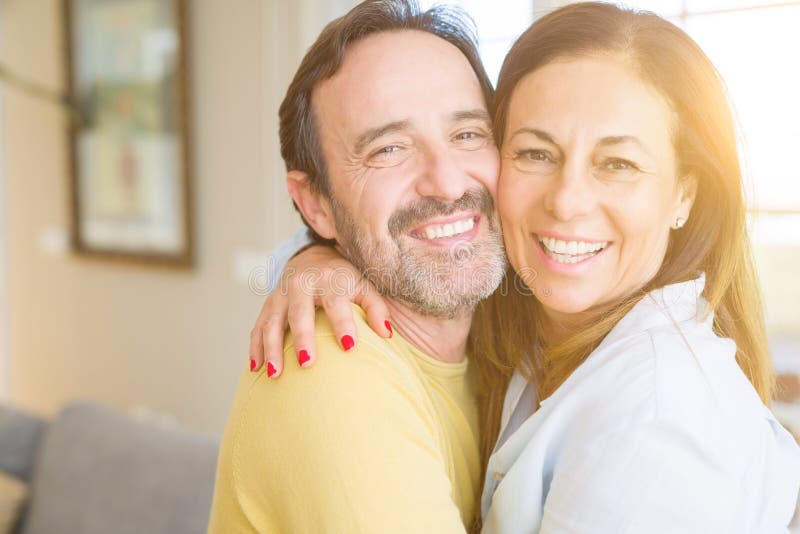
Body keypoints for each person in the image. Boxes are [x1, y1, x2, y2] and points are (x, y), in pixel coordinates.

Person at [250, 2, 800, 532]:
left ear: (685, 194)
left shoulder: (658, 421)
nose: (566, 202)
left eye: (618, 163)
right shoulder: (514, 322)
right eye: (536, 153)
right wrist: (311, 255)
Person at [208, 1, 507, 532]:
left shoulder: (511, 330)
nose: (449, 182)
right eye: (389, 148)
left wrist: (308, 254)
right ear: (315, 203)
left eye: (467, 134)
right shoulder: (328, 381)